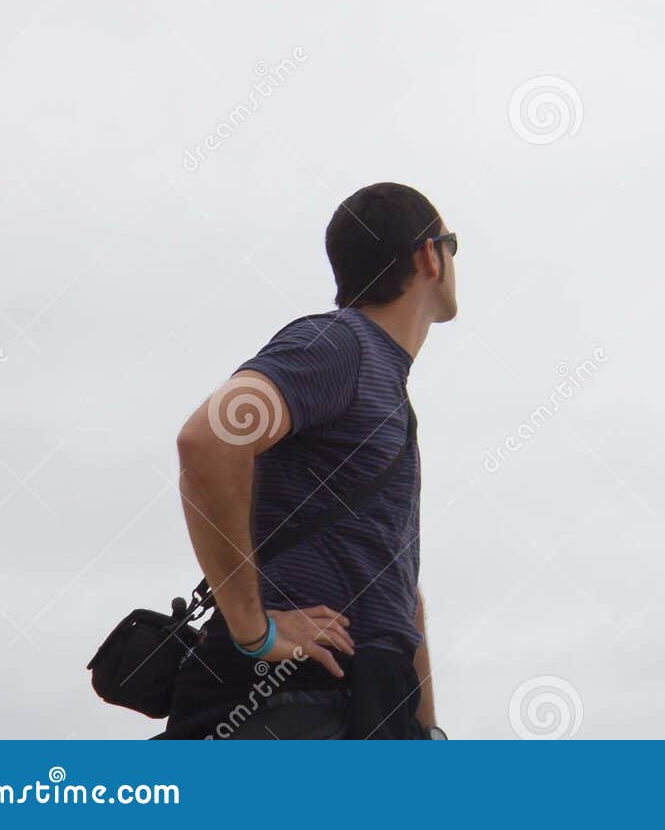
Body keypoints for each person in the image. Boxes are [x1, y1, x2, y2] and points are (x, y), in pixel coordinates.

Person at [163, 182, 458, 739]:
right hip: (302, 699)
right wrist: (254, 631)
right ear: (429, 256)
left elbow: (393, 575)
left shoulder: (382, 380)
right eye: (453, 245)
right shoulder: (337, 344)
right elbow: (207, 441)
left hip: (369, 699)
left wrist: (427, 730)